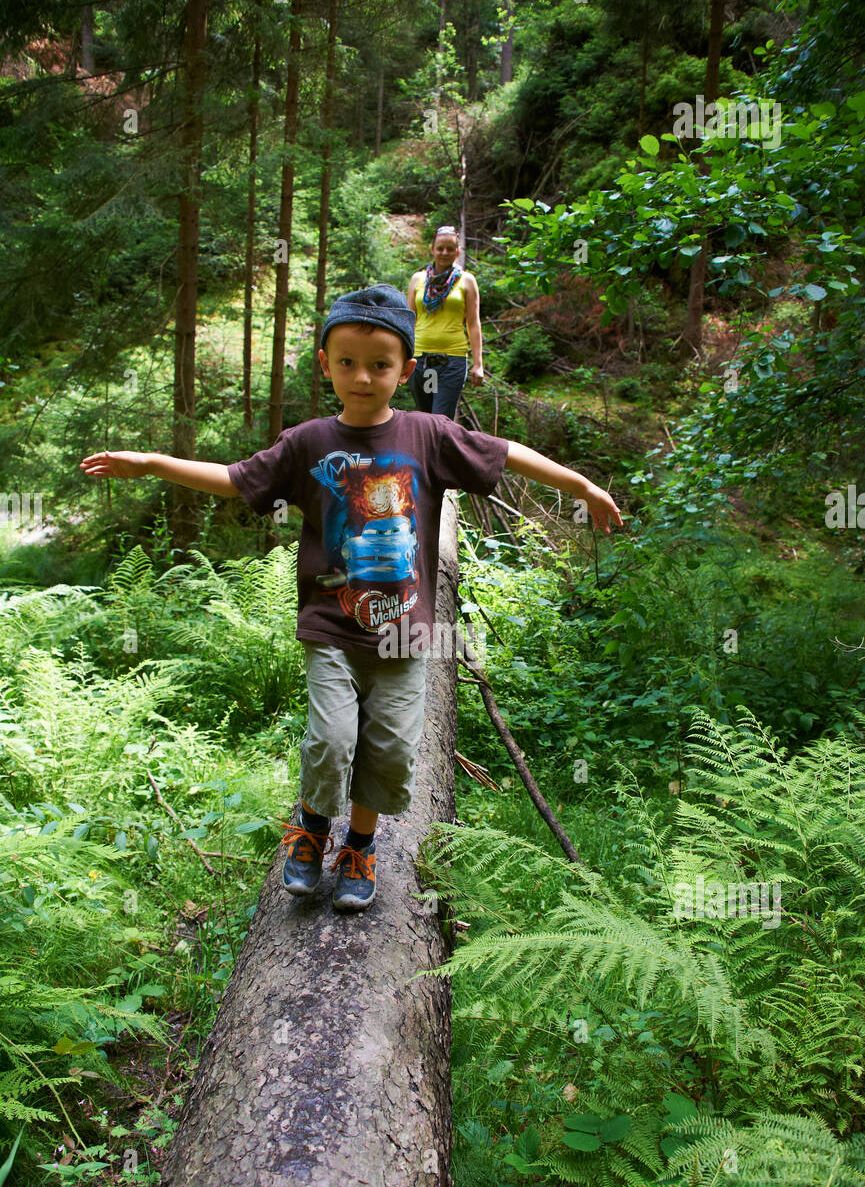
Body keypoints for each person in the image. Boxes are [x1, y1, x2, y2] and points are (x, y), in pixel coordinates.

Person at [80, 284, 622, 912]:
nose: (362, 377)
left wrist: (582, 486)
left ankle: (359, 844)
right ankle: (311, 830)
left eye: (380, 365)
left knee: (389, 750)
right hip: (332, 629)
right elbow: (233, 481)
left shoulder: (428, 433)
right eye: (346, 363)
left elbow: (507, 454)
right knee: (333, 739)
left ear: (407, 371)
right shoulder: (308, 441)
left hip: (405, 635)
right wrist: (151, 462)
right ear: (324, 363)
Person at [406, 225, 482, 420]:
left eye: (450, 248)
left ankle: (442, 451)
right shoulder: (418, 280)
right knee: (424, 418)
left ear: (457, 252)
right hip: (421, 359)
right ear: (432, 249)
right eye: (440, 248)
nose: (444, 253)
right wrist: (401, 358)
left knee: (440, 420)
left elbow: (473, 323)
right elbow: (408, 321)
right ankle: (428, 452)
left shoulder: (466, 281)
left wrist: (478, 364)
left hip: (452, 360)